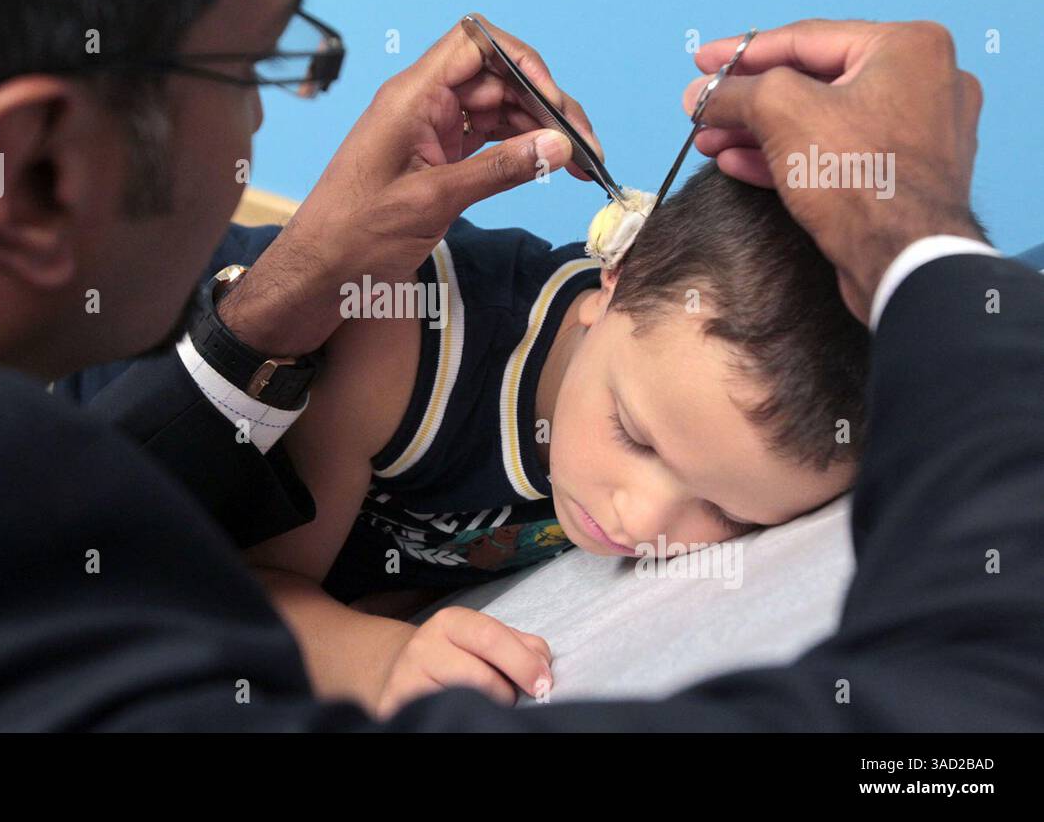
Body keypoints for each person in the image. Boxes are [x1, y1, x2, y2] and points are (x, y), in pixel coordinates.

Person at [0, 0, 1040, 732]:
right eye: (263, 60)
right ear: (34, 172)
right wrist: (916, 224)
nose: (282, 114)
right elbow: (963, 713)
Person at [112, 163, 867, 718]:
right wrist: (384, 661)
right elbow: (233, 592)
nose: (642, 522)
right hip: (117, 377)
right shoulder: (395, 344)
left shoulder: (666, 390)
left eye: (728, 514)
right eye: (636, 439)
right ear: (614, 281)